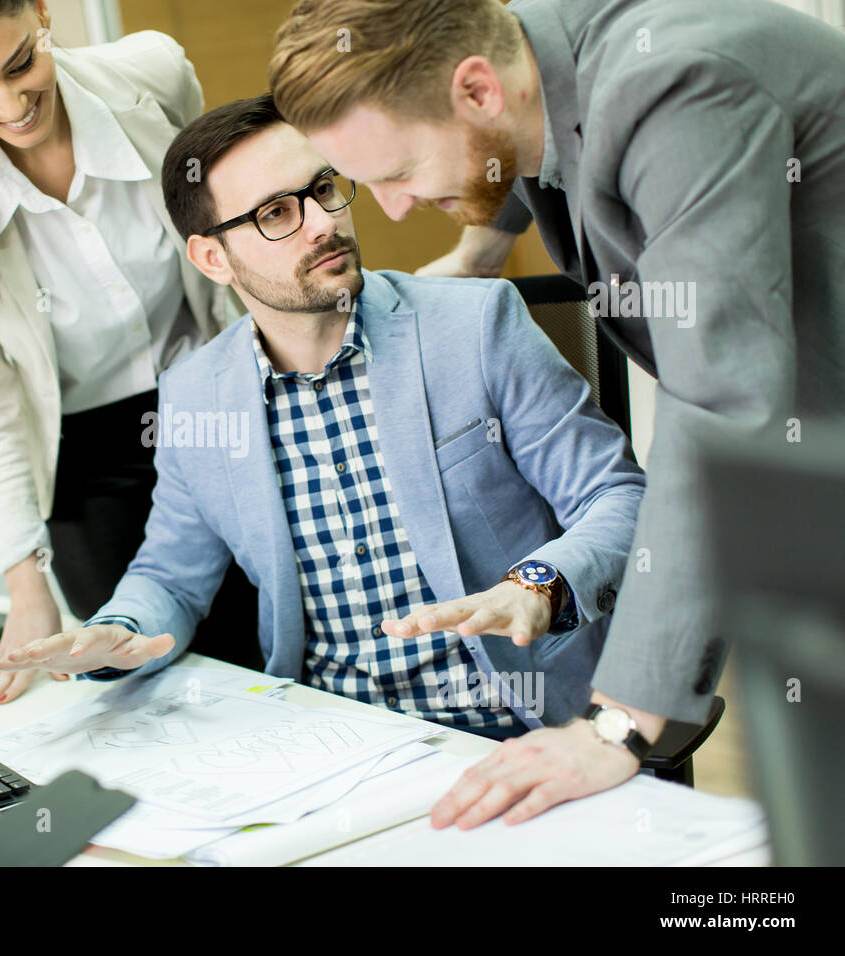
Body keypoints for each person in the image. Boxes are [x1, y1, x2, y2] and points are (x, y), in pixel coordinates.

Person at [267, 0, 845, 826]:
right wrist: (483, 241)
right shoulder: (528, 51)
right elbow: (529, 134)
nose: (391, 210)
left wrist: (618, 724)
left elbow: (715, 401)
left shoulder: (675, 88)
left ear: (476, 91)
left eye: (398, 174)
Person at [0, 94, 646, 739]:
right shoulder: (196, 395)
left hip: (509, 723)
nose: (320, 223)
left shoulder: (475, 325)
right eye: (276, 212)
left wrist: (538, 584)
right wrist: (121, 632)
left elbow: (616, 496)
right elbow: (171, 576)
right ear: (212, 259)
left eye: (323, 189)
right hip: (324, 738)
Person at [0, 0, 251, 705]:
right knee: (147, 677)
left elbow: (225, 252)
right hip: (87, 460)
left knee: (268, 644)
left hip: (209, 407)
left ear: (42, 11)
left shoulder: (155, 77)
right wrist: (27, 586)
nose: (12, 103)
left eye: (21, 63)